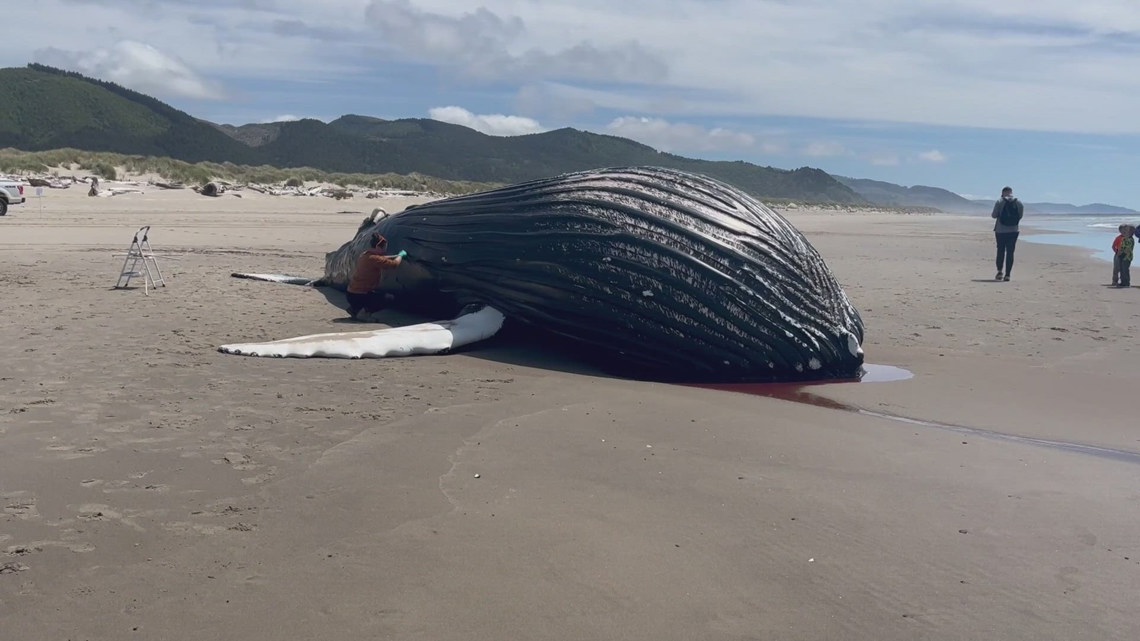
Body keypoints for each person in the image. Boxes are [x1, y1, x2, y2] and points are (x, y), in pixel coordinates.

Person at [345, 233, 406, 319]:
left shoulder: (365, 255)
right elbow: (394, 264)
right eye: (384, 247)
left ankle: (355, 309)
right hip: (359, 296)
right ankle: (364, 313)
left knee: (372, 295)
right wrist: (400, 256)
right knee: (389, 298)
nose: (385, 249)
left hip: (351, 294)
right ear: (378, 246)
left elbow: (381, 258)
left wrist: (395, 256)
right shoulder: (375, 259)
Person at [991, 186, 1024, 281]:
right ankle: (1008, 275)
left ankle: (999, 272)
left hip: (1000, 230)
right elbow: (1020, 216)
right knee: (1010, 252)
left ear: (1003, 193)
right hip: (1014, 230)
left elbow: (994, 215)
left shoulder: (999, 201)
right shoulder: (1019, 202)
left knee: (1000, 250)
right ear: (1011, 192)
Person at [1115, 224, 1135, 288]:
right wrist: (1119, 251)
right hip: (1121, 255)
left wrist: (1122, 252)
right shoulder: (1123, 238)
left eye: (1126, 230)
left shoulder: (1130, 239)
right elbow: (1121, 246)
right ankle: (1123, 282)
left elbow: (1128, 249)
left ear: (1130, 232)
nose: (1124, 232)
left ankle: (1126, 282)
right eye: (1124, 230)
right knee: (1121, 269)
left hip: (1127, 256)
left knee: (1125, 269)